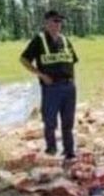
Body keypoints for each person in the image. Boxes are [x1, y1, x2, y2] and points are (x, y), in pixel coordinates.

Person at [20, 10, 79, 160]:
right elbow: (24, 59)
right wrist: (41, 75)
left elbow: (72, 62)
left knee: (68, 122)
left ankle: (69, 151)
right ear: (46, 23)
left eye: (59, 21)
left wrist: (73, 82)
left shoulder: (65, 40)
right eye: (54, 21)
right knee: (50, 121)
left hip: (68, 87)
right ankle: (51, 149)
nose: (57, 24)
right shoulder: (39, 40)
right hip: (51, 87)